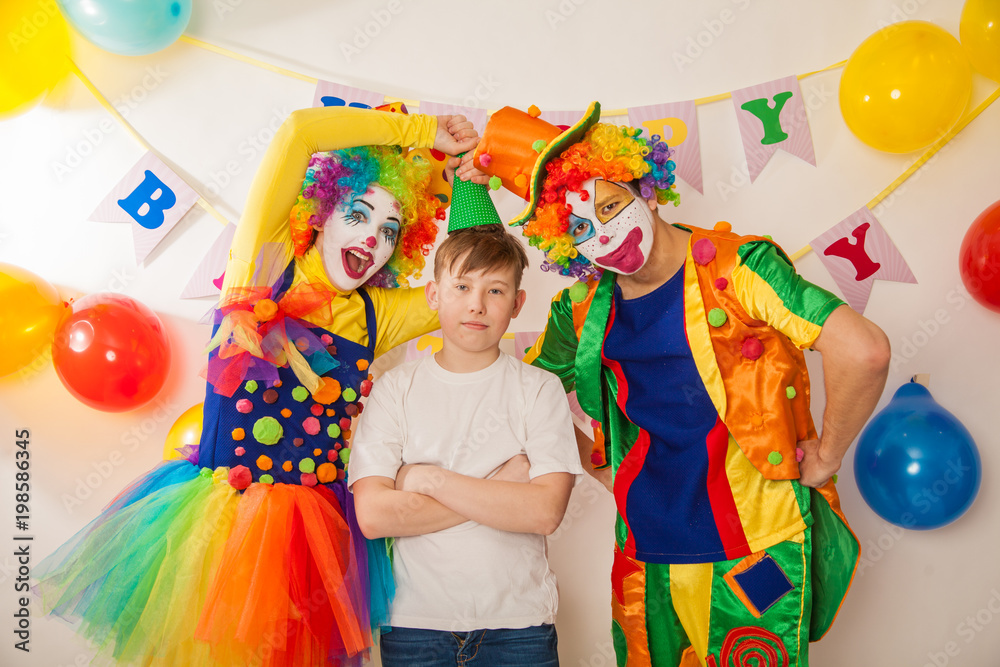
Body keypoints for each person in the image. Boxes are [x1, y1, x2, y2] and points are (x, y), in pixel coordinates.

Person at [35, 104, 478, 666]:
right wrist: (422, 132)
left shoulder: (376, 317)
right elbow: (299, 132)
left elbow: (469, 280)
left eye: (389, 231)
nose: (372, 238)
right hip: (215, 532)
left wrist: (467, 186)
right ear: (320, 215)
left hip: (312, 549)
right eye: (359, 214)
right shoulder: (263, 265)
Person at [459, 102, 891, 667]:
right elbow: (518, 390)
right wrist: (596, 461)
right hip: (644, 554)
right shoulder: (582, 308)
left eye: (611, 207)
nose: (605, 236)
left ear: (648, 190)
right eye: (581, 228)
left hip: (754, 549)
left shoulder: (739, 270)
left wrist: (828, 455)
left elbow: (864, 350)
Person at [348, 178, 584, 667]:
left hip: (519, 629)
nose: (477, 304)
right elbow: (374, 517)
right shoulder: (396, 390)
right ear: (434, 294)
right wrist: (498, 487)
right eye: (462, 287)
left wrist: (424, 478)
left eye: (495, 290)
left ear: (517, 305)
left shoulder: (538, 389)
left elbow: (543, 513)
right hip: (415, 628)